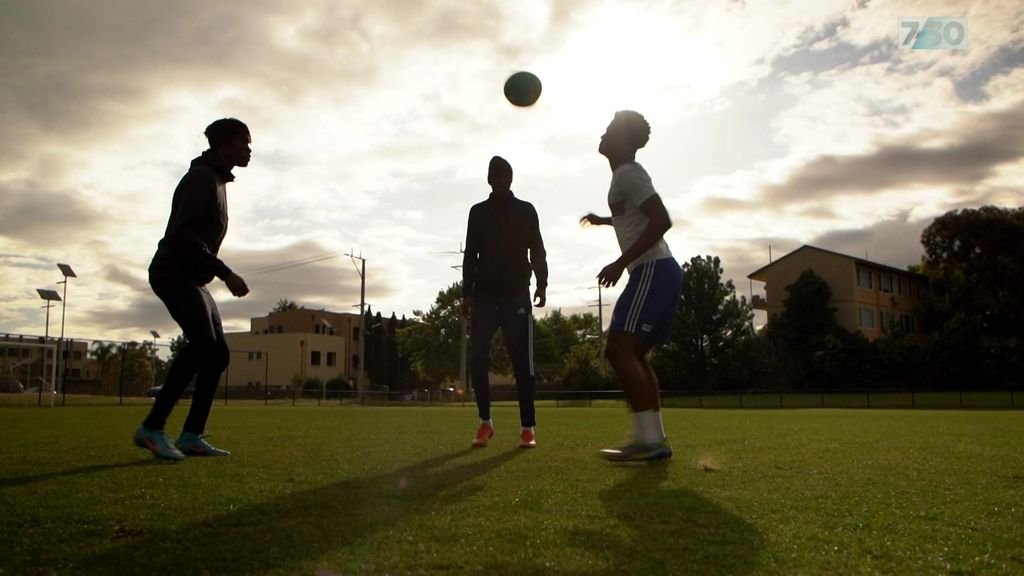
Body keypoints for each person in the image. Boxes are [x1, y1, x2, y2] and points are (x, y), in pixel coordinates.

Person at [134, 118, 252, 461]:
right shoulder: (201, 178)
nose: (249, 150)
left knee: (217, 354)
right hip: (172, 271)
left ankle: (190, 436)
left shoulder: (218, 181)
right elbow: (181, 235)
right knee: (203, 344)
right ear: (223, 145)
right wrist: (225, 273)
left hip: (193, 278)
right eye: (243, 142)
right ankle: (152, 428)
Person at [580, 111, 682, 461]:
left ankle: (649, 440)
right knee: (633, 353)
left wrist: (620, 263)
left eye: (609, 130)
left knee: (618, 350)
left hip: (653, 269)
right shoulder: (623, 176)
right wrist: (604, 221)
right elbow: (633, 217)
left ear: (623, 141)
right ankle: (653, 439)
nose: (603, 134)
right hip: (659, 271)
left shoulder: (628, 173)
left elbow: (661, 220)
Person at [462, 156, 548, 449]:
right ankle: (485, 422)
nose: (500, 180)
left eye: (504, 176)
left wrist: (542, 283)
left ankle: (527, 428)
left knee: (522, 362)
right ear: (489, 179)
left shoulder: (526, 210)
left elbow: (537, 249)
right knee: (478, 358)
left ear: (511, 179)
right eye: (495, 176)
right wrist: (467, 293)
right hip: (485, 296)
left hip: (516, 296)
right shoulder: (478, 212)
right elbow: (470, 254)